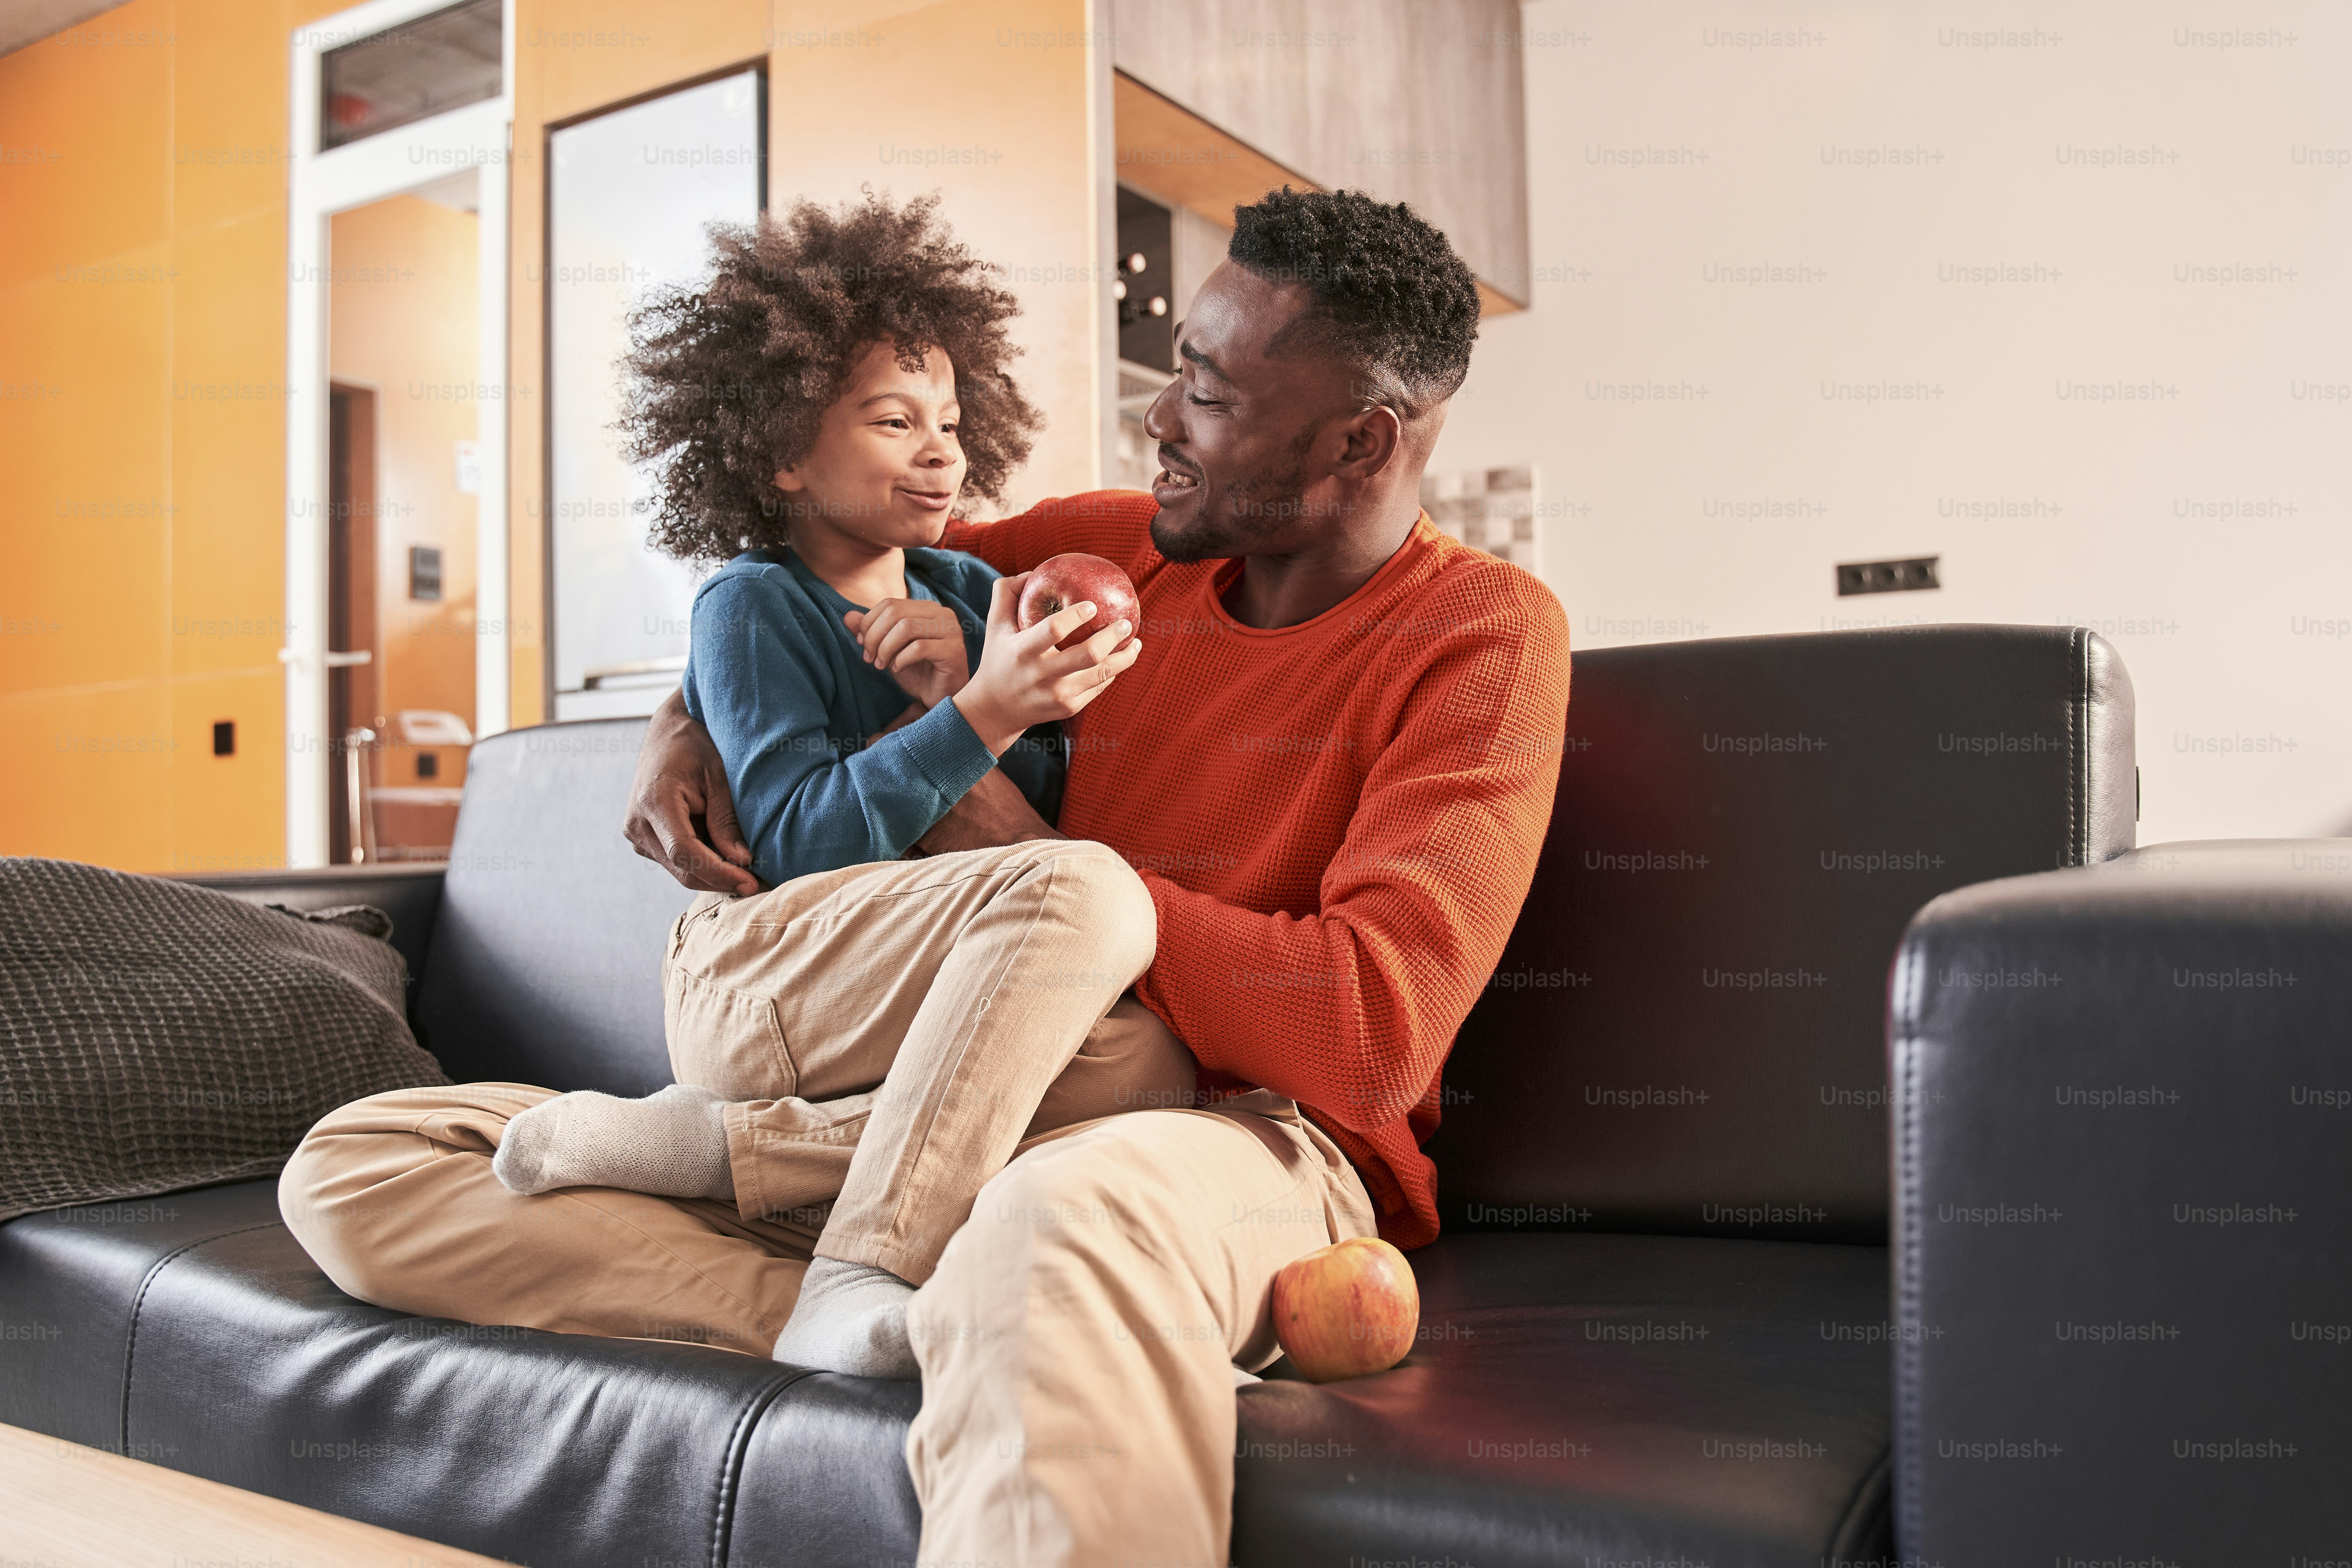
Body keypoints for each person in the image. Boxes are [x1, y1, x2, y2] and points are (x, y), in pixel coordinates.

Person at [624, 187, 1571, 1566]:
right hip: (971, 1093)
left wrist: (1029, 857)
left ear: (1360, 441)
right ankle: (869, 1270)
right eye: (1176, 372)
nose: (1160, 419)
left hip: (1253, 1133)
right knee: (378, 1174)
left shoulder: (1481, 636)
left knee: (1054, 1224)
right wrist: (680, 729)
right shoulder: (1118, 547)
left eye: (1208, 394)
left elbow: (1368, 1033)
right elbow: (810, 581)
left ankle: (828, 1218)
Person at [279, 194, 1192, 1383]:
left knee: (1152, 1071)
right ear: (781, 450)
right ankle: (863, 1261)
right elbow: (801, 846)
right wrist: (983, 713)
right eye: (894, 420)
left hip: (917, 1010)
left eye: (952, 422)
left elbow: (1038, 823)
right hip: (769, 972)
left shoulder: (975, 592)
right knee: (1095, 894)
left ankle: (739, 1174)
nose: (941, 451)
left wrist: (983, 693)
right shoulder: (752, 605)